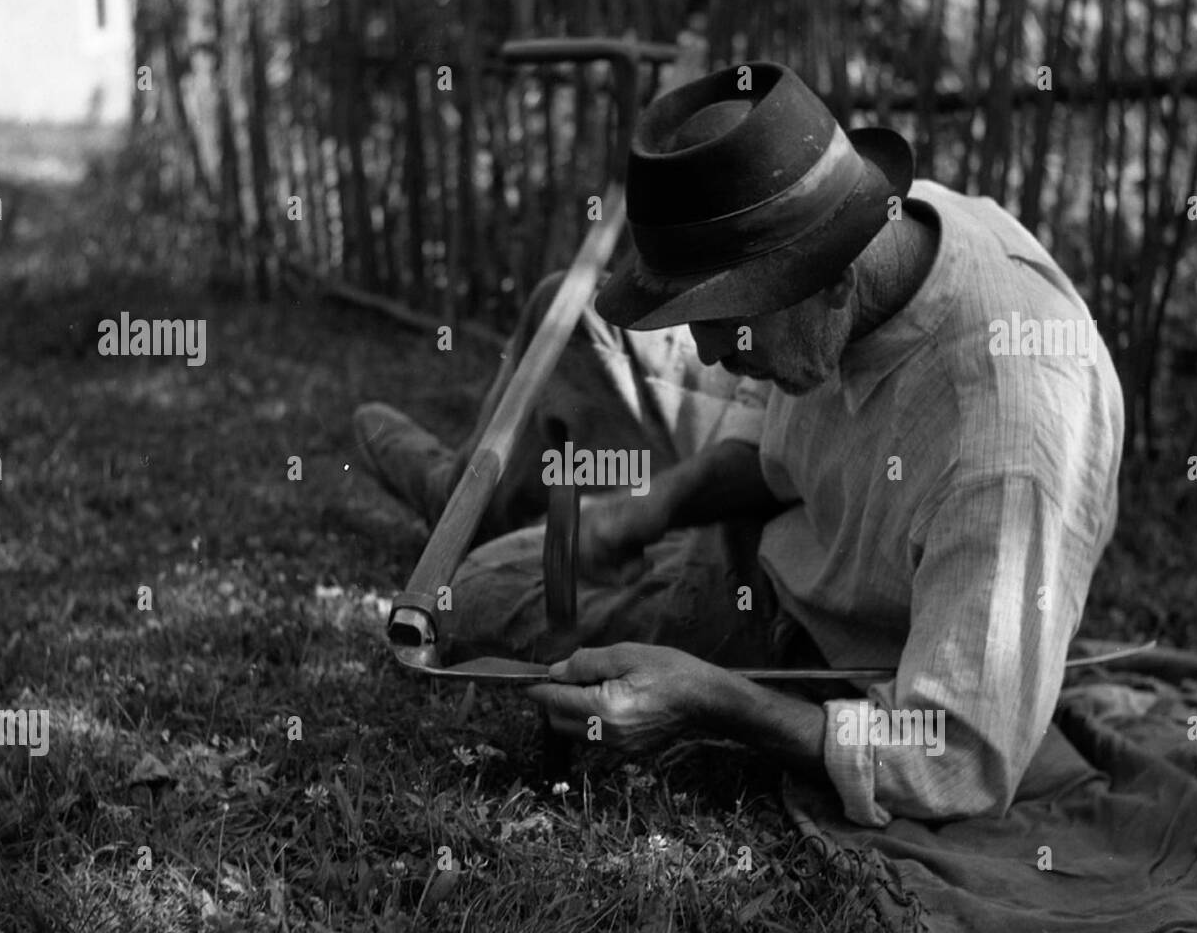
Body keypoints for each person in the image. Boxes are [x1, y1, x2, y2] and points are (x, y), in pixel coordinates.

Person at [354, 62, 1123, 826]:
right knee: (571, 314)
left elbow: (956, 758)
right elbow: (785, 440)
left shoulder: (1001, 446)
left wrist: (710, 700)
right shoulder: (868, 233)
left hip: (822, 640)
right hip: (782, 534)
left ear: (833, 282)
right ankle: (470, 489)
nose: (711, 352)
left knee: (480, 598)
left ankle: (476, 510)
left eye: (726, 318)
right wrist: (654, 509)